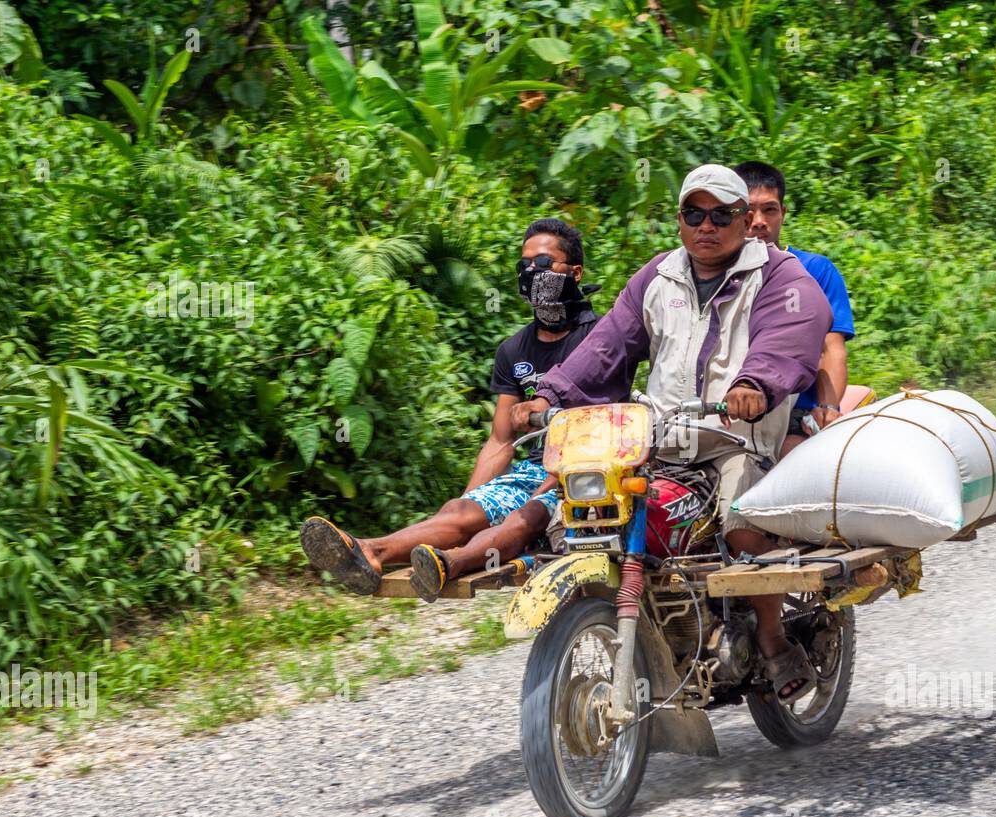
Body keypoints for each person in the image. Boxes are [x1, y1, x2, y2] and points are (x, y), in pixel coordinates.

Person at [511, 164, 832, 703]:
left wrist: (755, 384)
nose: (706, 226)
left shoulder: (781, 277)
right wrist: (552, 395)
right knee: (582, 512)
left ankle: (775, 642)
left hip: (735, 441)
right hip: (656, 441)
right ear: (679, 218)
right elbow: (607, 346)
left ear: (743, 218)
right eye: (693, 213)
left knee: (742, 528)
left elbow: (790, 338)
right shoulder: (657, 278)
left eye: (720, 214)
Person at [300, 219, 598, 601]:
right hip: (531, 468)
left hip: (584, 473)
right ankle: (369, 551)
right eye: (524, 265)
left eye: (543, 263)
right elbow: (499, 441)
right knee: (463, 511)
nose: (531, 273)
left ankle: (452, 563)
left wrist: (549, 486)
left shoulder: (599, 341)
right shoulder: (513, 350)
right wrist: (469, 505)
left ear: (574, 272)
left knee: (526, 518)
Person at [732, 161, 855, 457]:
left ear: (783, 214)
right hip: (723, 410)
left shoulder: (814, 270)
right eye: (748, 211)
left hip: (791, 415)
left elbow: (830, 349)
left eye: (769, 210)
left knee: (789, 461)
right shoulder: (712, 272)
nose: (758, 221)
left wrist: (827, 407)